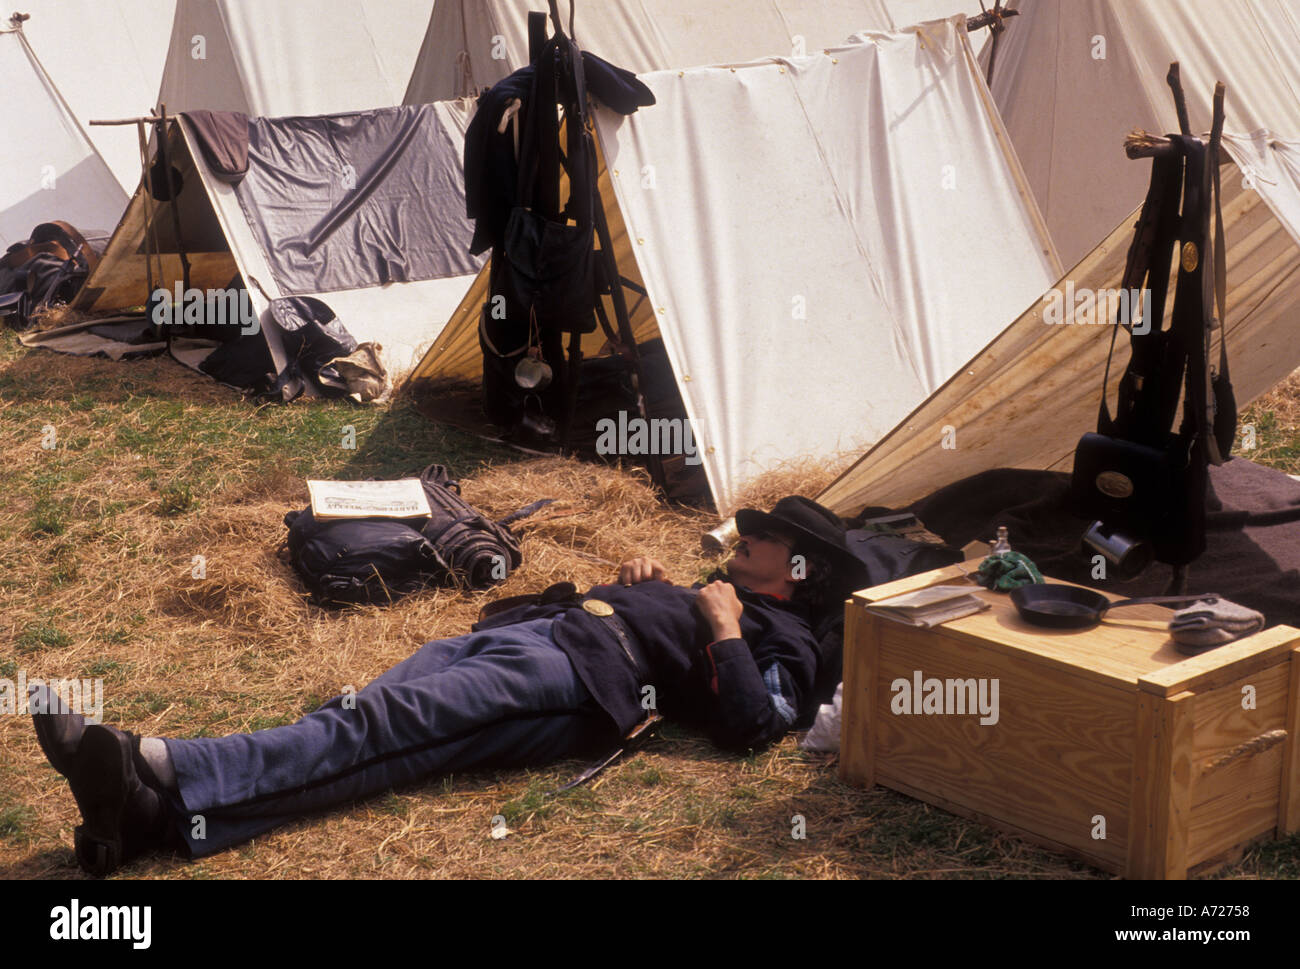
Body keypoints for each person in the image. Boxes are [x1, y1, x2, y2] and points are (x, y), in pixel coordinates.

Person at [30, 496, 867, 875]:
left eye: (765, 538)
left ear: (800, 570)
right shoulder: (713, 585)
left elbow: (758, 726)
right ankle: (149, 821)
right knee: (371, 727)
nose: (745, 538)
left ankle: (161, 761)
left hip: (576, 678)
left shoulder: (783, 634)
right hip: (540, 635)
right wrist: (647, 583)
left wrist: (722, 629)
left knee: (386, 723)